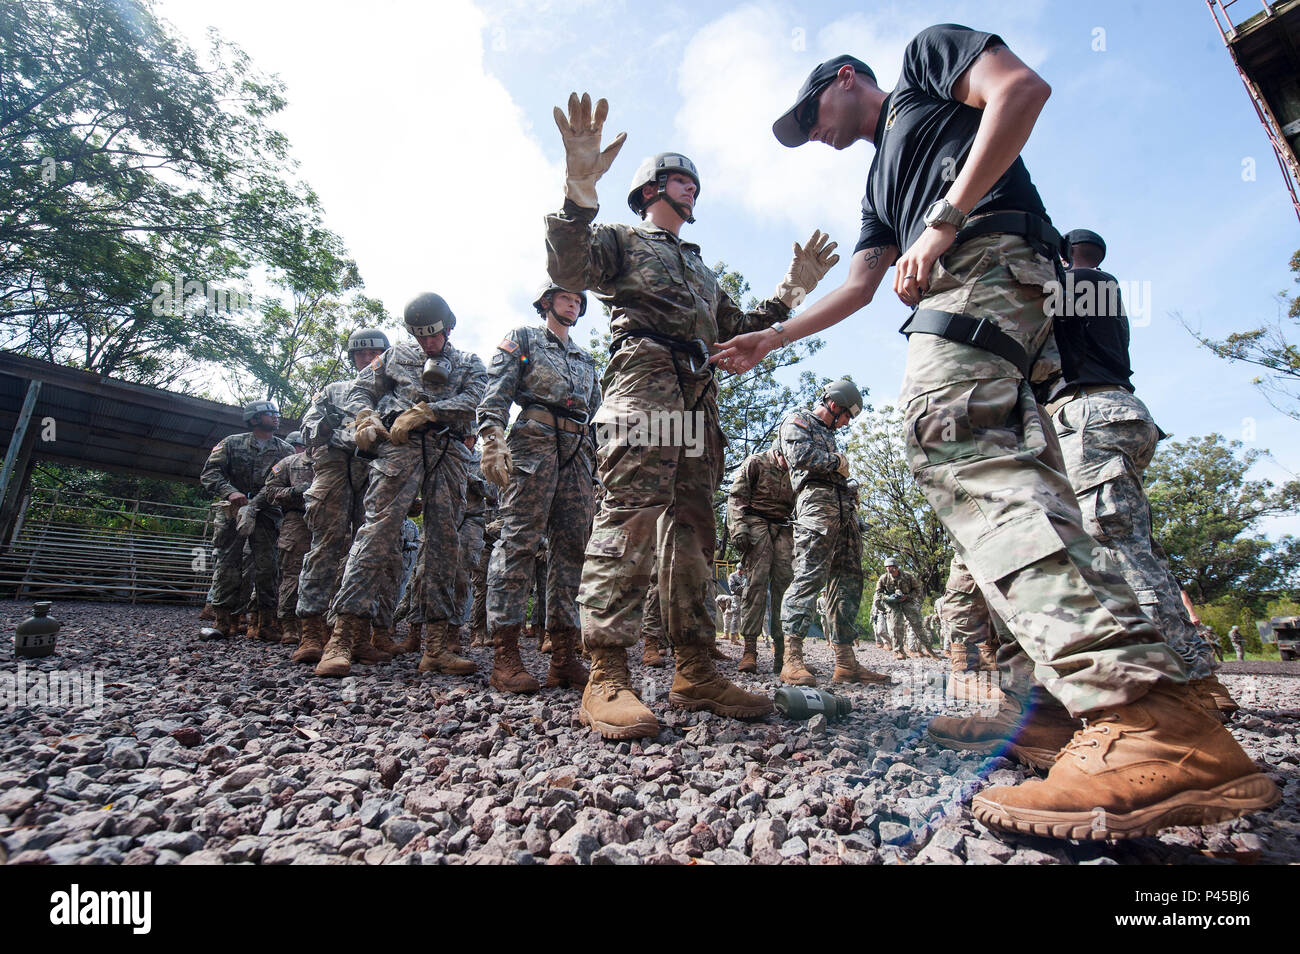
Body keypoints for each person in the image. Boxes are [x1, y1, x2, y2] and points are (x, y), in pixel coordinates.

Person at [710, 29, 1277, 837]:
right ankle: (1041, 706)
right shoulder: (877, 186)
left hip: (985, 266)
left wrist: (943, 219)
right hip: (969, 287)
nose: (814, 135)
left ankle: (1148, 717)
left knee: (952, 442)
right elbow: (864, 282)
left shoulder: (922, 67)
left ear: (846, 78)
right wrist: (775, 338)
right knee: (1019, 482)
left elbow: (1020, 92)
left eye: (812, 115)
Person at [546, 93, 839, 737]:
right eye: (683, 179)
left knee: (694, 531)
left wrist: (794, 289)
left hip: (696, 397)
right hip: (645, 383)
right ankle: (607, 672)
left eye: (696, 182)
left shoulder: (700, 266)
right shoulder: (621, 239)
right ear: (651, 188)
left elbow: (738, 327)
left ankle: (695, 669)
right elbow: (568, 265)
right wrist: (578, 190)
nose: (693, 188)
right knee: (632, 517)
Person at [1048, 229, 1232, 718]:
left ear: (1065, 255)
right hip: (1124, 413)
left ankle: (1189, 681)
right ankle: (1191, 674)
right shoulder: (1108, 289)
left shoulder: (1073, 285)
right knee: (1135, 545)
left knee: (1113, 548)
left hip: (1089, 417)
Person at [322, 292, 486, 678]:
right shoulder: (395, 356)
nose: (427, 342)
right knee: (376, 534)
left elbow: (475, 398)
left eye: (433, 334)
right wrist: (365, 416)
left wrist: (429, 410)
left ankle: (436, 647)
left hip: (448, 450)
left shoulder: (468, 362)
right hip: (400, 449)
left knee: (446, 543)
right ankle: (342, 637)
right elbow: (360, 388)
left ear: (448, 327)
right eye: (420, 335)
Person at [777, 380, 888, 686]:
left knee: (849, 579)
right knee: (809, 575)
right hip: (816, 504)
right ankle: (792, 659)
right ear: (835, 405)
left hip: (843, 506)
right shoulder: (798, 420)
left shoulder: (829, 434)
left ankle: (846, 662)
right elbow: (800, 458)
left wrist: (847, 483)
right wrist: (837, 463)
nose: (847, 423)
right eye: (847, 416)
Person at [293, 328, 390, 665]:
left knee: (371, 552)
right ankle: (311, 631)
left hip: (374, 471)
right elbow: (310, 425)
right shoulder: (334, 391)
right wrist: (328, 428)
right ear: (353, 357)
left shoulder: (393, 395)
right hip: (334, 468)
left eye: (375, 353)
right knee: (326, 545)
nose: (368, 359)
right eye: (361, 354)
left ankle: (358, 634)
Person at [200, 400, 292, 639]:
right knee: (228, 563)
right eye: (270, 414)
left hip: (267, 512)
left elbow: (286, 481)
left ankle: (265, 623)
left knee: (268, 567)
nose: (276, 417)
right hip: (232, 509)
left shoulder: (285, 450)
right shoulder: (231, 443)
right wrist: (230, 492)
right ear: (254, 419)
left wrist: (261, 500)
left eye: (276, 413)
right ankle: (223, 621)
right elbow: (210, 472)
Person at [727, 443, 795, 672]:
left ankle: (783, 652)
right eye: (787, 459)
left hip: (784, 525)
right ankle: (749, 651)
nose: (790, 464)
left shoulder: (798, 468)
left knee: (786, 584)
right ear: (778, 452)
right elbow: (736, 496)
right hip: (756, 520)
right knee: (756, 582)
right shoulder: (756, 462)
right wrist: (738, 528)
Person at [252, 430, 311, 646]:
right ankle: (289, 625)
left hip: (330, 523)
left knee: (330, 575)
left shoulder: (337, 461)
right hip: (297, 521)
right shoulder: (288, 463)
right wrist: (294, 492)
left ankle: (318, 628)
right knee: (293, 574)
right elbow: (270, 492)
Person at [876, 556, 933, 660]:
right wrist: (888, 597)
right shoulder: (883, 578)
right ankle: (898, 651)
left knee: (918, 624)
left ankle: (928, 649)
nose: (889, 569)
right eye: (887, 567)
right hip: (893, 604)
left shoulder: (908, 576)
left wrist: (907, 596)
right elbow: (878, 593)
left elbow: (917, 589)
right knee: (896, 627)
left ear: (896, 567)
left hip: (907, 601)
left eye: (891, 567)